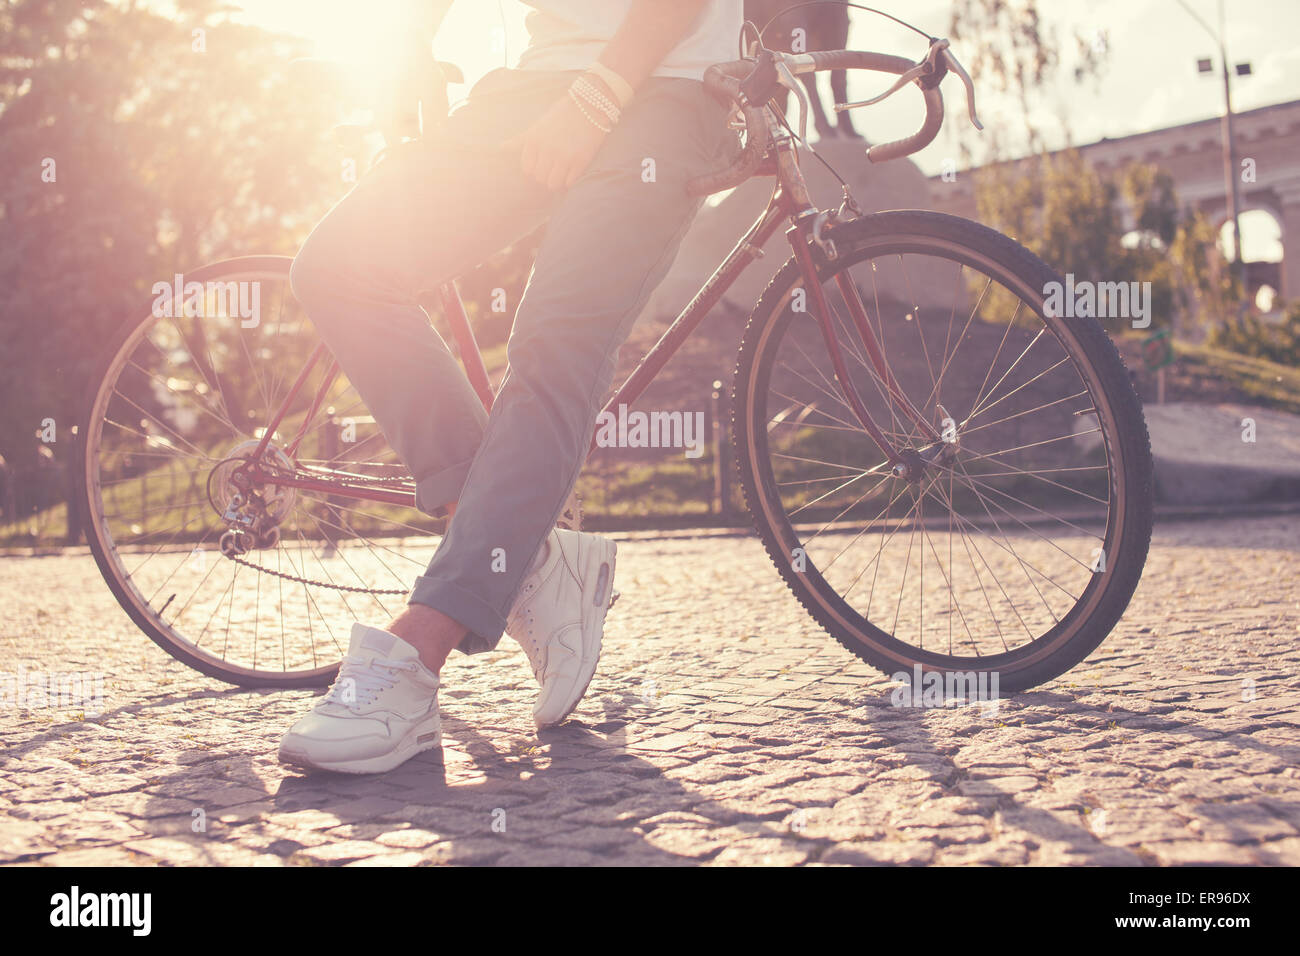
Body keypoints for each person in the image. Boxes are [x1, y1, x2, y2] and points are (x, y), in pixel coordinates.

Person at [279, 1, 743, 773]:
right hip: (538, 81)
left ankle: (415, 654)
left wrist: (597, 96)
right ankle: (526, 555)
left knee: (556, 340)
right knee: (338, 266)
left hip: (669, 84)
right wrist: (412, 47)